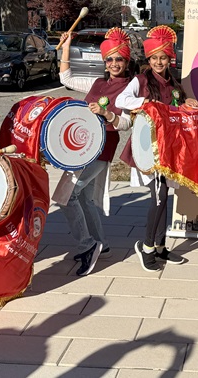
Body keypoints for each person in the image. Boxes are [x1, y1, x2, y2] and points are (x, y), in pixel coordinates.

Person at [55, 28, 137, 276]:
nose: (114, 63)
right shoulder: (98, 83)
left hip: (101, 148)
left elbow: (126, 123)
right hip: (82, 147)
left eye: (119, 59)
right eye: (110, 59)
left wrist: (105, 114)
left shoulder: (131, 88)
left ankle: (88, 245)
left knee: (66, 197)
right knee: (84, 198)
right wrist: (67, 45)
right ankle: (103, 244)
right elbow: (66, 78)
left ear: (127, 61)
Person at [116, 25, 198, 272]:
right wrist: (145, 102)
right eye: (155, 58)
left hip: (168, 147)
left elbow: (176, 108)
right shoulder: (140, 81)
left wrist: (187, 102)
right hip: (148, 148)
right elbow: (121, 100)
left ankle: (161, 247)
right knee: (159, 196)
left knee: (165, 197)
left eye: (163, 58)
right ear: (148, 60)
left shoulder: (173, 82)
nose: (159, 62)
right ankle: (147, 246)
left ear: (169, 59)